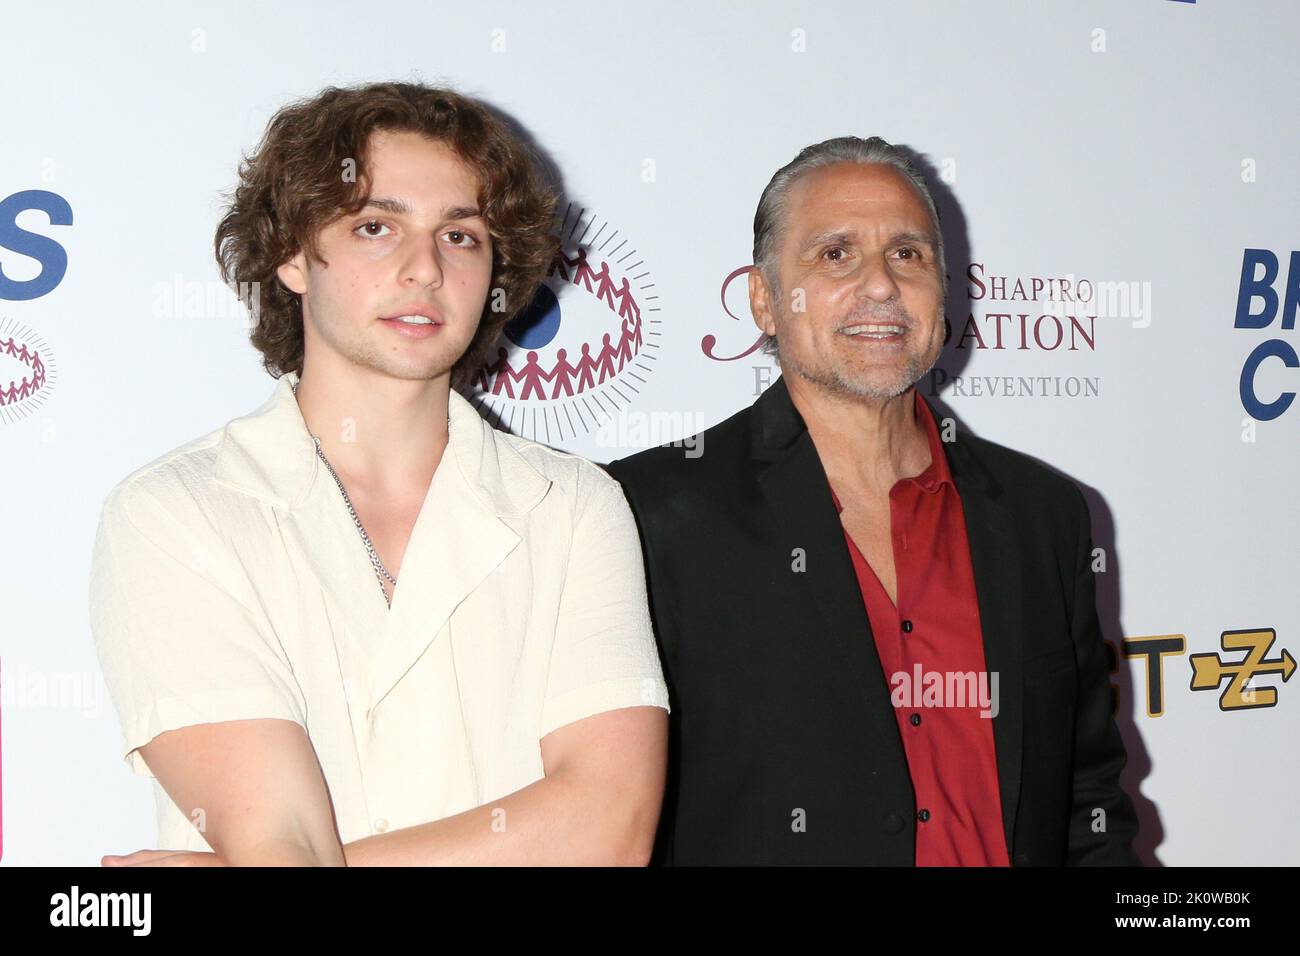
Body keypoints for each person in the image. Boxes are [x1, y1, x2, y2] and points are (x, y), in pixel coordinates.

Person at [90, 81, 669, 867]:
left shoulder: (573, 508)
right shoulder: (177, 512)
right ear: (293, 254)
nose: (424, 269)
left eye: (460, 236)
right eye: (374, 227)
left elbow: (607, 830)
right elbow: (278, 841)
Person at [606, 136, 1140, 866]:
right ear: (764, 299)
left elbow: (1087, 797)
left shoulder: (1042, 514)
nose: (882, 285)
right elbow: (612, 814)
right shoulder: (646, 513)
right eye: (835, 254)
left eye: (909, 255)